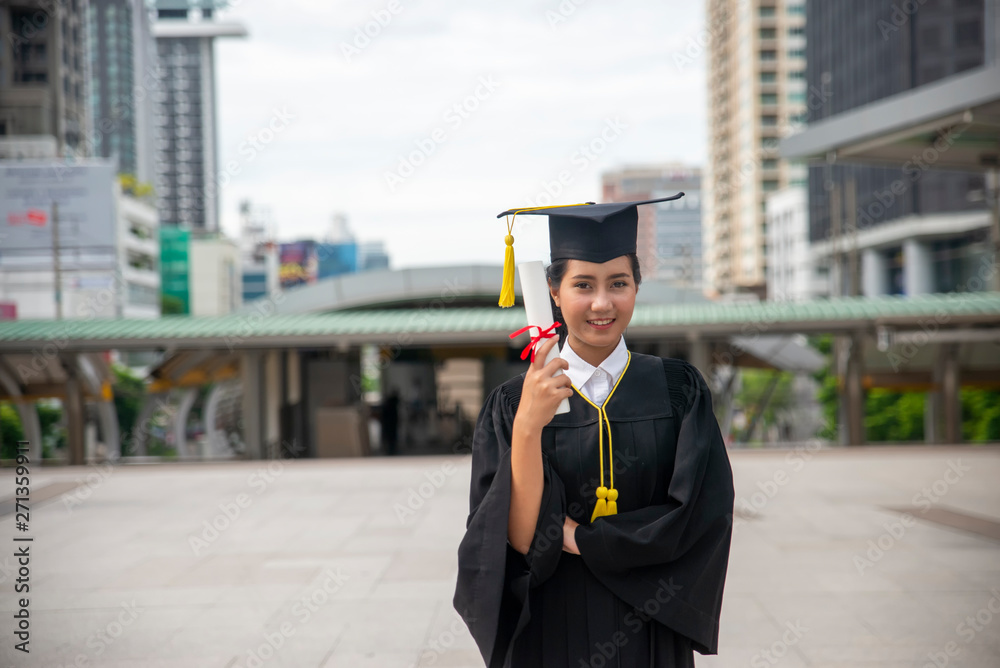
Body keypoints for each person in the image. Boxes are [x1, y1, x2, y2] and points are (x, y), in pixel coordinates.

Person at [454, 196, 736, 667]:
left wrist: (582, 539)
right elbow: (517, 542)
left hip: (650, 630)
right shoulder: (512, 403)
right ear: (553, 292)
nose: (602, 303)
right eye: (583, 284)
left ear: (636, 288)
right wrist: (528, 425)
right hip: (551, 630)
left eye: (618, 283)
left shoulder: (678, 391)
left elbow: (699, 516)